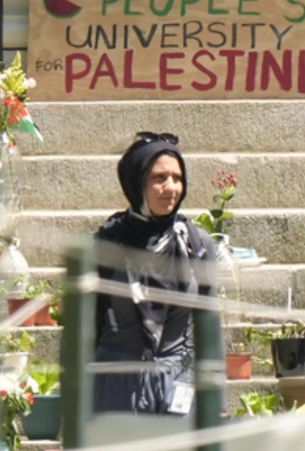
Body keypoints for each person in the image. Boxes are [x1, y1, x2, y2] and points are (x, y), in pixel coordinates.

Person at [92, 132, 219, 415]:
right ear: (137, 183)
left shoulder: (195, 245)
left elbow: (210, 327)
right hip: (116, 389)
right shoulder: (107, 245)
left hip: (178, 387)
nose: (171, 187)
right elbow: (87, 329)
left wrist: (216, 402)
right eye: (158, 178)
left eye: (177, 177)